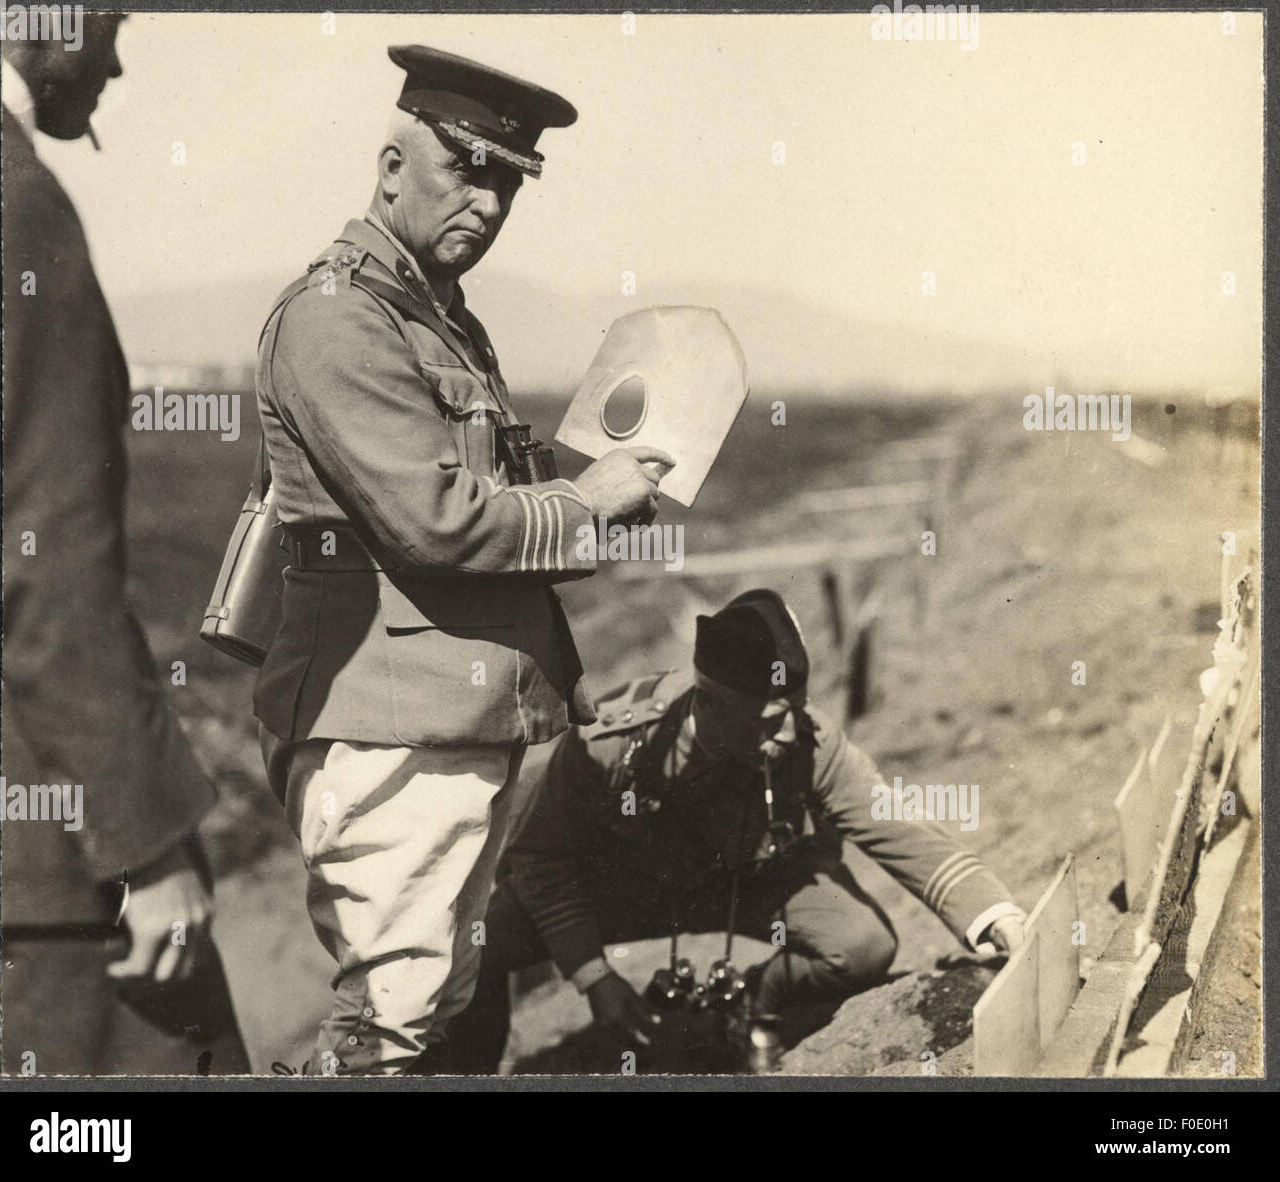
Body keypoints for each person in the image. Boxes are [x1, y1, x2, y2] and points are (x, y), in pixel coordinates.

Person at [255, 44, 671, 1075]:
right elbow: (436, 523)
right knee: (388, 1018)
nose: (485, 203)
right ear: (392, 167)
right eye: (464, 168)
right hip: (385, 726)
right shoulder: (337, 320)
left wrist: (587, 507)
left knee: (437, 1002)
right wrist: (587, 501)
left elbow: (493, 513)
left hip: (451, 719)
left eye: (506, 182)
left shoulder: (441, 323)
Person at [448, 589, 1027, 1073]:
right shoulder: (612, 744)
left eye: (794, 710)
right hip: (630, 892)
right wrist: (594, 976)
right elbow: (539, 860)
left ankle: (755, 1002)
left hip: (746, 886)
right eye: (770, 719)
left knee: (862, 943)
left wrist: (998, 916)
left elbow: (898, 828)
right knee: (479, 940)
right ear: (712, 701)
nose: (787, 732)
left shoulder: (807, 739)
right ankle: (467, 1077)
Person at [0, 16, 250, 1075]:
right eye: (108, 20)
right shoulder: (15, 213)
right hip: (43, 878)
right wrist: (146, 849)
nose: (112, 59)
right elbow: (44, 572)